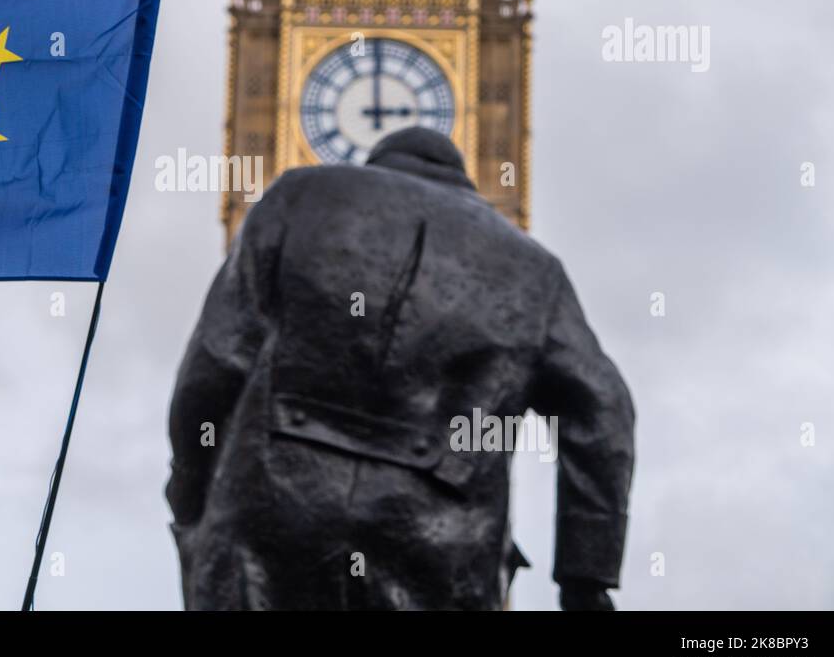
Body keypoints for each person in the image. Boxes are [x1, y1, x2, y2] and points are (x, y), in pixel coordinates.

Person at [166, 127, 634, 610]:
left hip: (272, 519)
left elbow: (213, 367)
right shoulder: (535, 272)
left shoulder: (296, 197)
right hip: (443, 546)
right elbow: (604, 412)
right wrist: (585, 578)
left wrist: (189, 494)